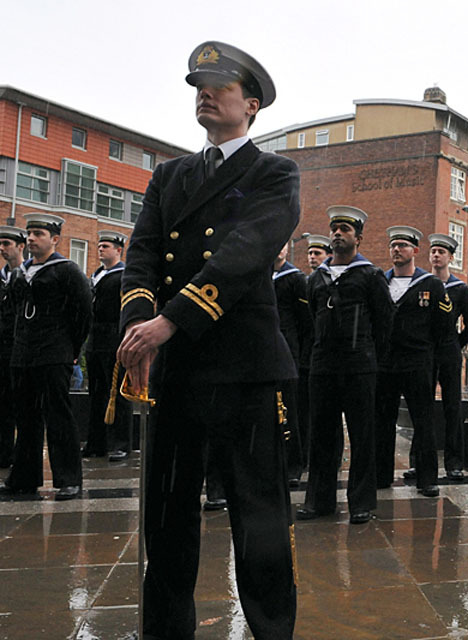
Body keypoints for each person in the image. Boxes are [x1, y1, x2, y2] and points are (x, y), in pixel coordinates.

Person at [116, 41, 299, 637]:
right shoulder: (170, 175)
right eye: (200, 86)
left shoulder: (274, 173)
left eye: (220, 87)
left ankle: (271, 630)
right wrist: (139, 329)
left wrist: (169, 321)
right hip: (178, 372)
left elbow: (243, 254)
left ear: (251, 104)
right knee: (167, 518)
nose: (206, 95)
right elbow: (142, 255)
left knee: (259, 519)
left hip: (244, 371)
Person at [298, 206, 393, 524]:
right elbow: (311, 320)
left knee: (363, 435)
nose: (337, 234)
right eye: (334, 229)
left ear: (358, 238)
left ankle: (361, 503)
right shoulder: (316, 278)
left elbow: (384, 323)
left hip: (358, 367)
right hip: (323, 366)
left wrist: (370, 357)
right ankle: (319, 501)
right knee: (321, 436)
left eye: (345, 230)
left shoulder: (370, 275)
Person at [1, 214, 91, 500]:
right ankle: (24, 477)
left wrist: (71, 350)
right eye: (29, 233)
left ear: (55, 239)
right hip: (23, 354)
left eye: (38, 234)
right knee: (26, 418)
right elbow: (13, 314)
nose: (31, 239)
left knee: (58, 417)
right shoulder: (20, 273)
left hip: (54, 354)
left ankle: (68, 479)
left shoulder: (66, 271)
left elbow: (83, 314)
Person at [374, 226, 451, 497]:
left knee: (423, 422)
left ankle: (427, 479)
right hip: (386, 363)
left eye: (403, 245)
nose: (397, 250)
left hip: (417, 363)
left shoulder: (430, 284)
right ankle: (381, 475)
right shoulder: (380, 282)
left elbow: (443, 328)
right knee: (382, 421)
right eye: (393, 245)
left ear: (415, 250)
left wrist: (431, 358)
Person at [428, 233, 468, 481]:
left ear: (450, 258)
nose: (436, 256)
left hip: (448, 352)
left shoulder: (459, 289)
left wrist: (455, 344)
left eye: (441, 252)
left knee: (452, 407)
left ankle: (454, 462)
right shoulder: (423, 284)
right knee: (422, 408)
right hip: (425, 352)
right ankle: (420, 461)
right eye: (433, 251)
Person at [83, 230, 131, 462]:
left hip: (114, 339)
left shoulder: (124, 276)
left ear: (118, 250)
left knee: (118, 395)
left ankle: (121, 444)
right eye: (99, 246)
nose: (100, 249)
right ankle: (96, 442)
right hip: (95, 341)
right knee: (96, 394)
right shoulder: (96, 275)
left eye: (106, 246)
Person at [273, 241, 311, 486]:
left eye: (283, 242)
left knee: (291, 411)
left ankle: (292, 466)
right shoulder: (257, 276)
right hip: (261, 352)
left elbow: (306, 322)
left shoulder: (296, 279)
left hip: (289, 352)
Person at [0, 226, 25, 469]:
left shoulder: (27, 276)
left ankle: (22, 459)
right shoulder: (3, 277)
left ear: (20, 246)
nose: (2, 248)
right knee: (3, 404)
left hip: (22, 349)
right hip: (3, 349)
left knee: (23, 406)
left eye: (7, 244)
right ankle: (4, 453)